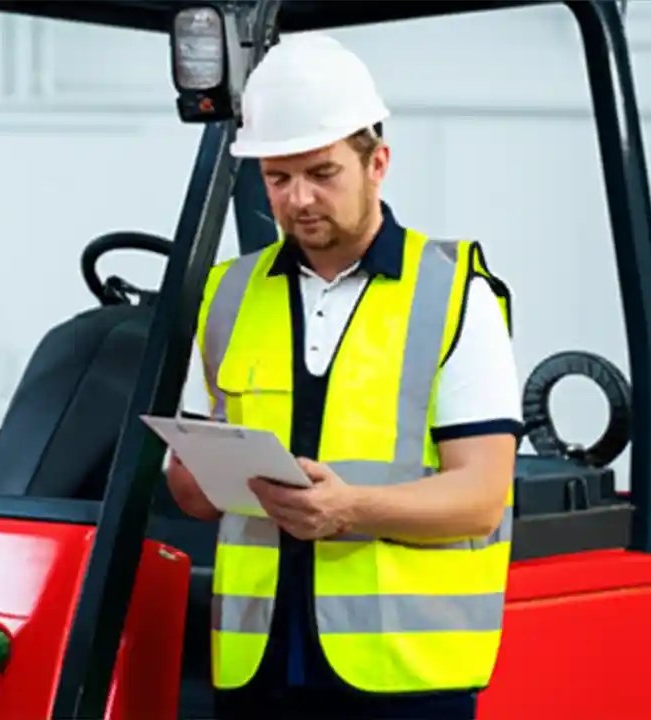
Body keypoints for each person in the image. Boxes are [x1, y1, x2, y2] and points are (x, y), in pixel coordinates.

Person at [166, 33, 522, 720]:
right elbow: (194, 487)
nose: (298, 199)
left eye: (322, 173)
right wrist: (191, 475)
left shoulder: (451, 295)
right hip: (257, 670)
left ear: (377, 162)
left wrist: (349, 508)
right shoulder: (227, 296)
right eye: (278, 177)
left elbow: (481, 496)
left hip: (404, 680)